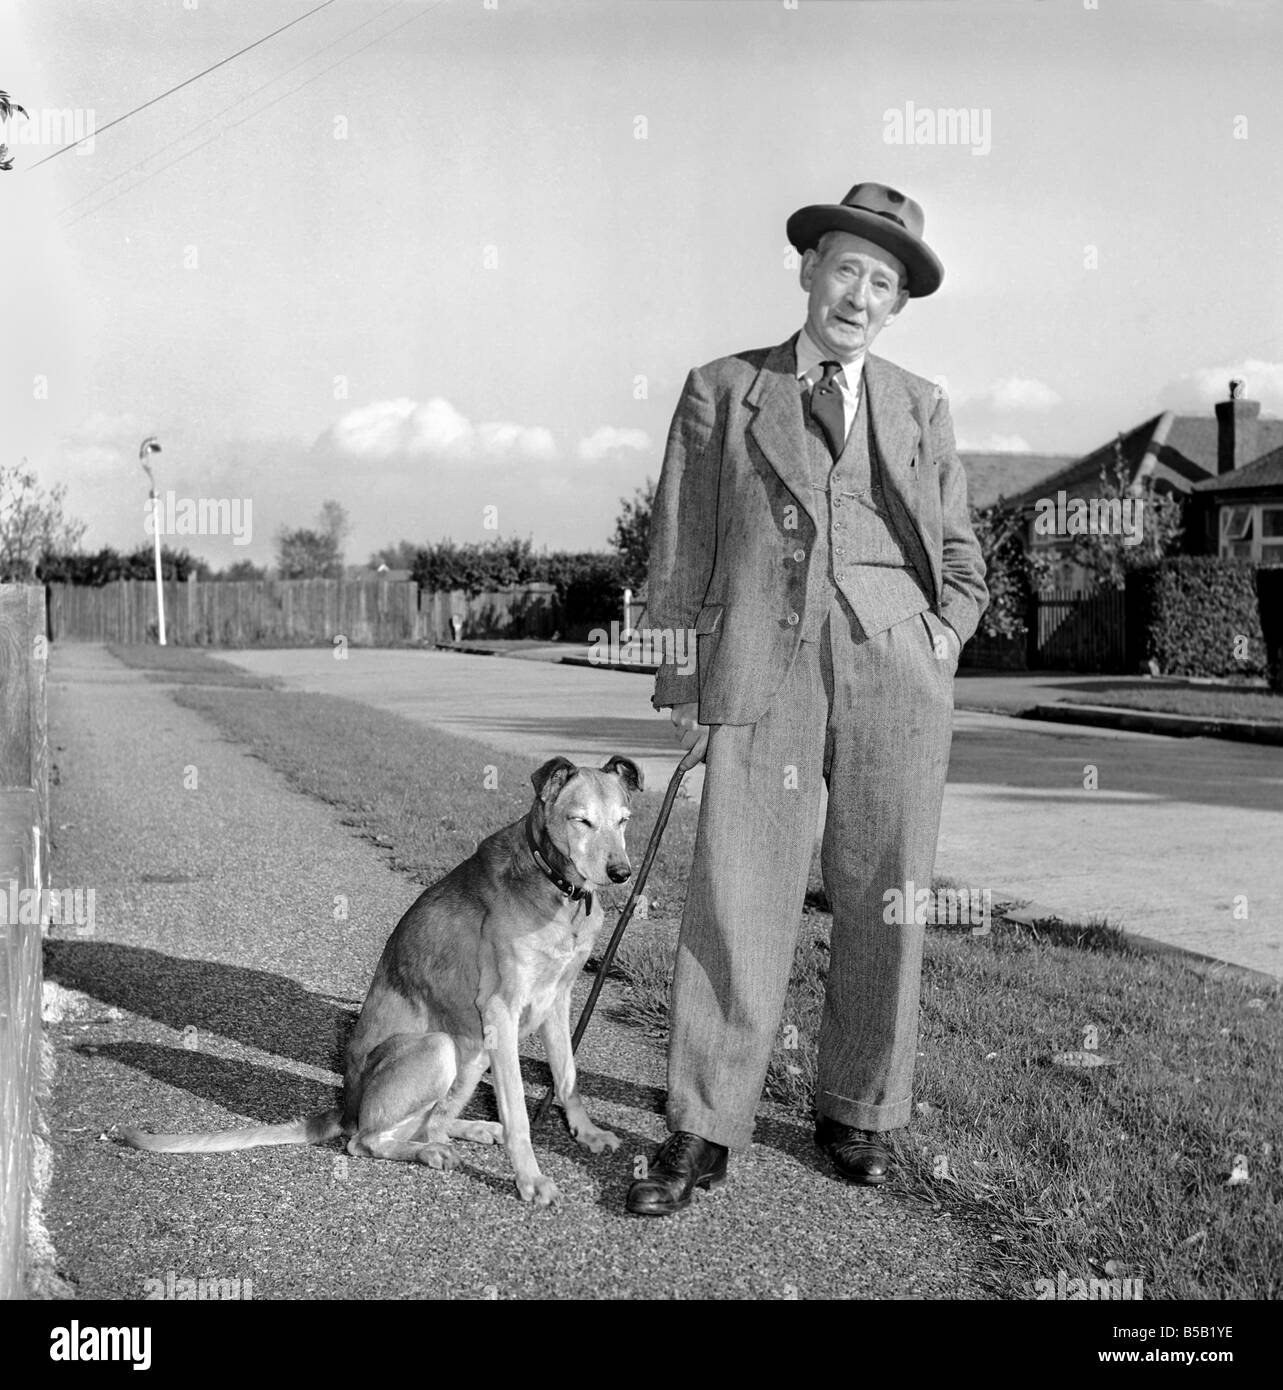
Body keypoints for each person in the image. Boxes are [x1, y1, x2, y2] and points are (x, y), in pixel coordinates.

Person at [629, 181, 989, 1217]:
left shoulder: (920, 405)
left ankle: (856, 1109)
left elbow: (959, 553)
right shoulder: (722, 388)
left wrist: (939, 636)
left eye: (882, 282)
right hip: (761, 665)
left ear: (895, 305)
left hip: (893, 667)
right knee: (736, 889)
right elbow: (678, 546)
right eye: (846, 269)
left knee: (885, 887)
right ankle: (702, 1126)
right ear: (807, 271)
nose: (860, 295)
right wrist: (680, 670)